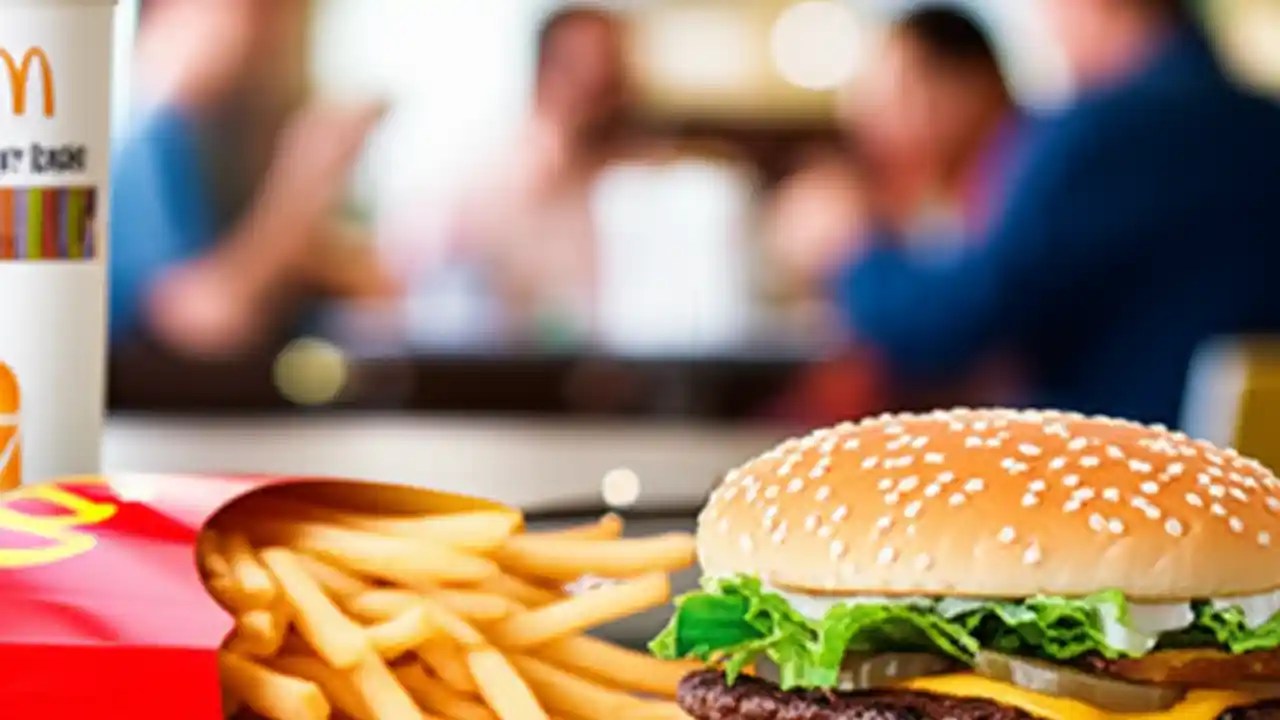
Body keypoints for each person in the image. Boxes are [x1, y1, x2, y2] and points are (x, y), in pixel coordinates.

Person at [833, 0, 1280, 427]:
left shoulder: (1094, 136)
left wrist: (849, 250)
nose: (1049, 33)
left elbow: (953, 325)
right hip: (1252, 479)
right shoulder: (1265, 126)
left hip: (1110, 468)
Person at [111, 0, 387, 356]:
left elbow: (372, 291)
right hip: (166, 403)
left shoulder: (258, 138)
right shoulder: (151, 143)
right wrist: (302, 188)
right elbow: (200, 322)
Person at [399, 5, 634, 344]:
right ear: (543, 72)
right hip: (514, 367)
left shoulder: (638, 179)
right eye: (577, 68)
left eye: (608, 72)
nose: (595, 83)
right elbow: (427, 267)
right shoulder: (493, 169)